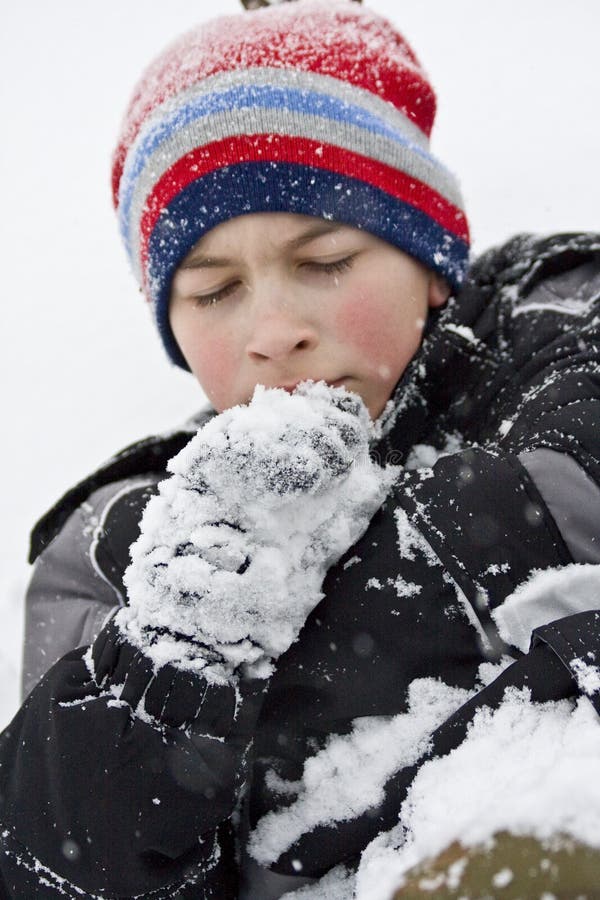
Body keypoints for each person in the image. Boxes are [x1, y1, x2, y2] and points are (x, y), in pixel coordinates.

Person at [1, 0, 599, 897]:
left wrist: (275, 689)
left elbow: (571, 506)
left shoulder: (558, 325)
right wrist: (172, 666)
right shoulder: (116, 546)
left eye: (323, 262)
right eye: (213, 291)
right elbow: (58, 867)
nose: (274, 332)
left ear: (432, 262)